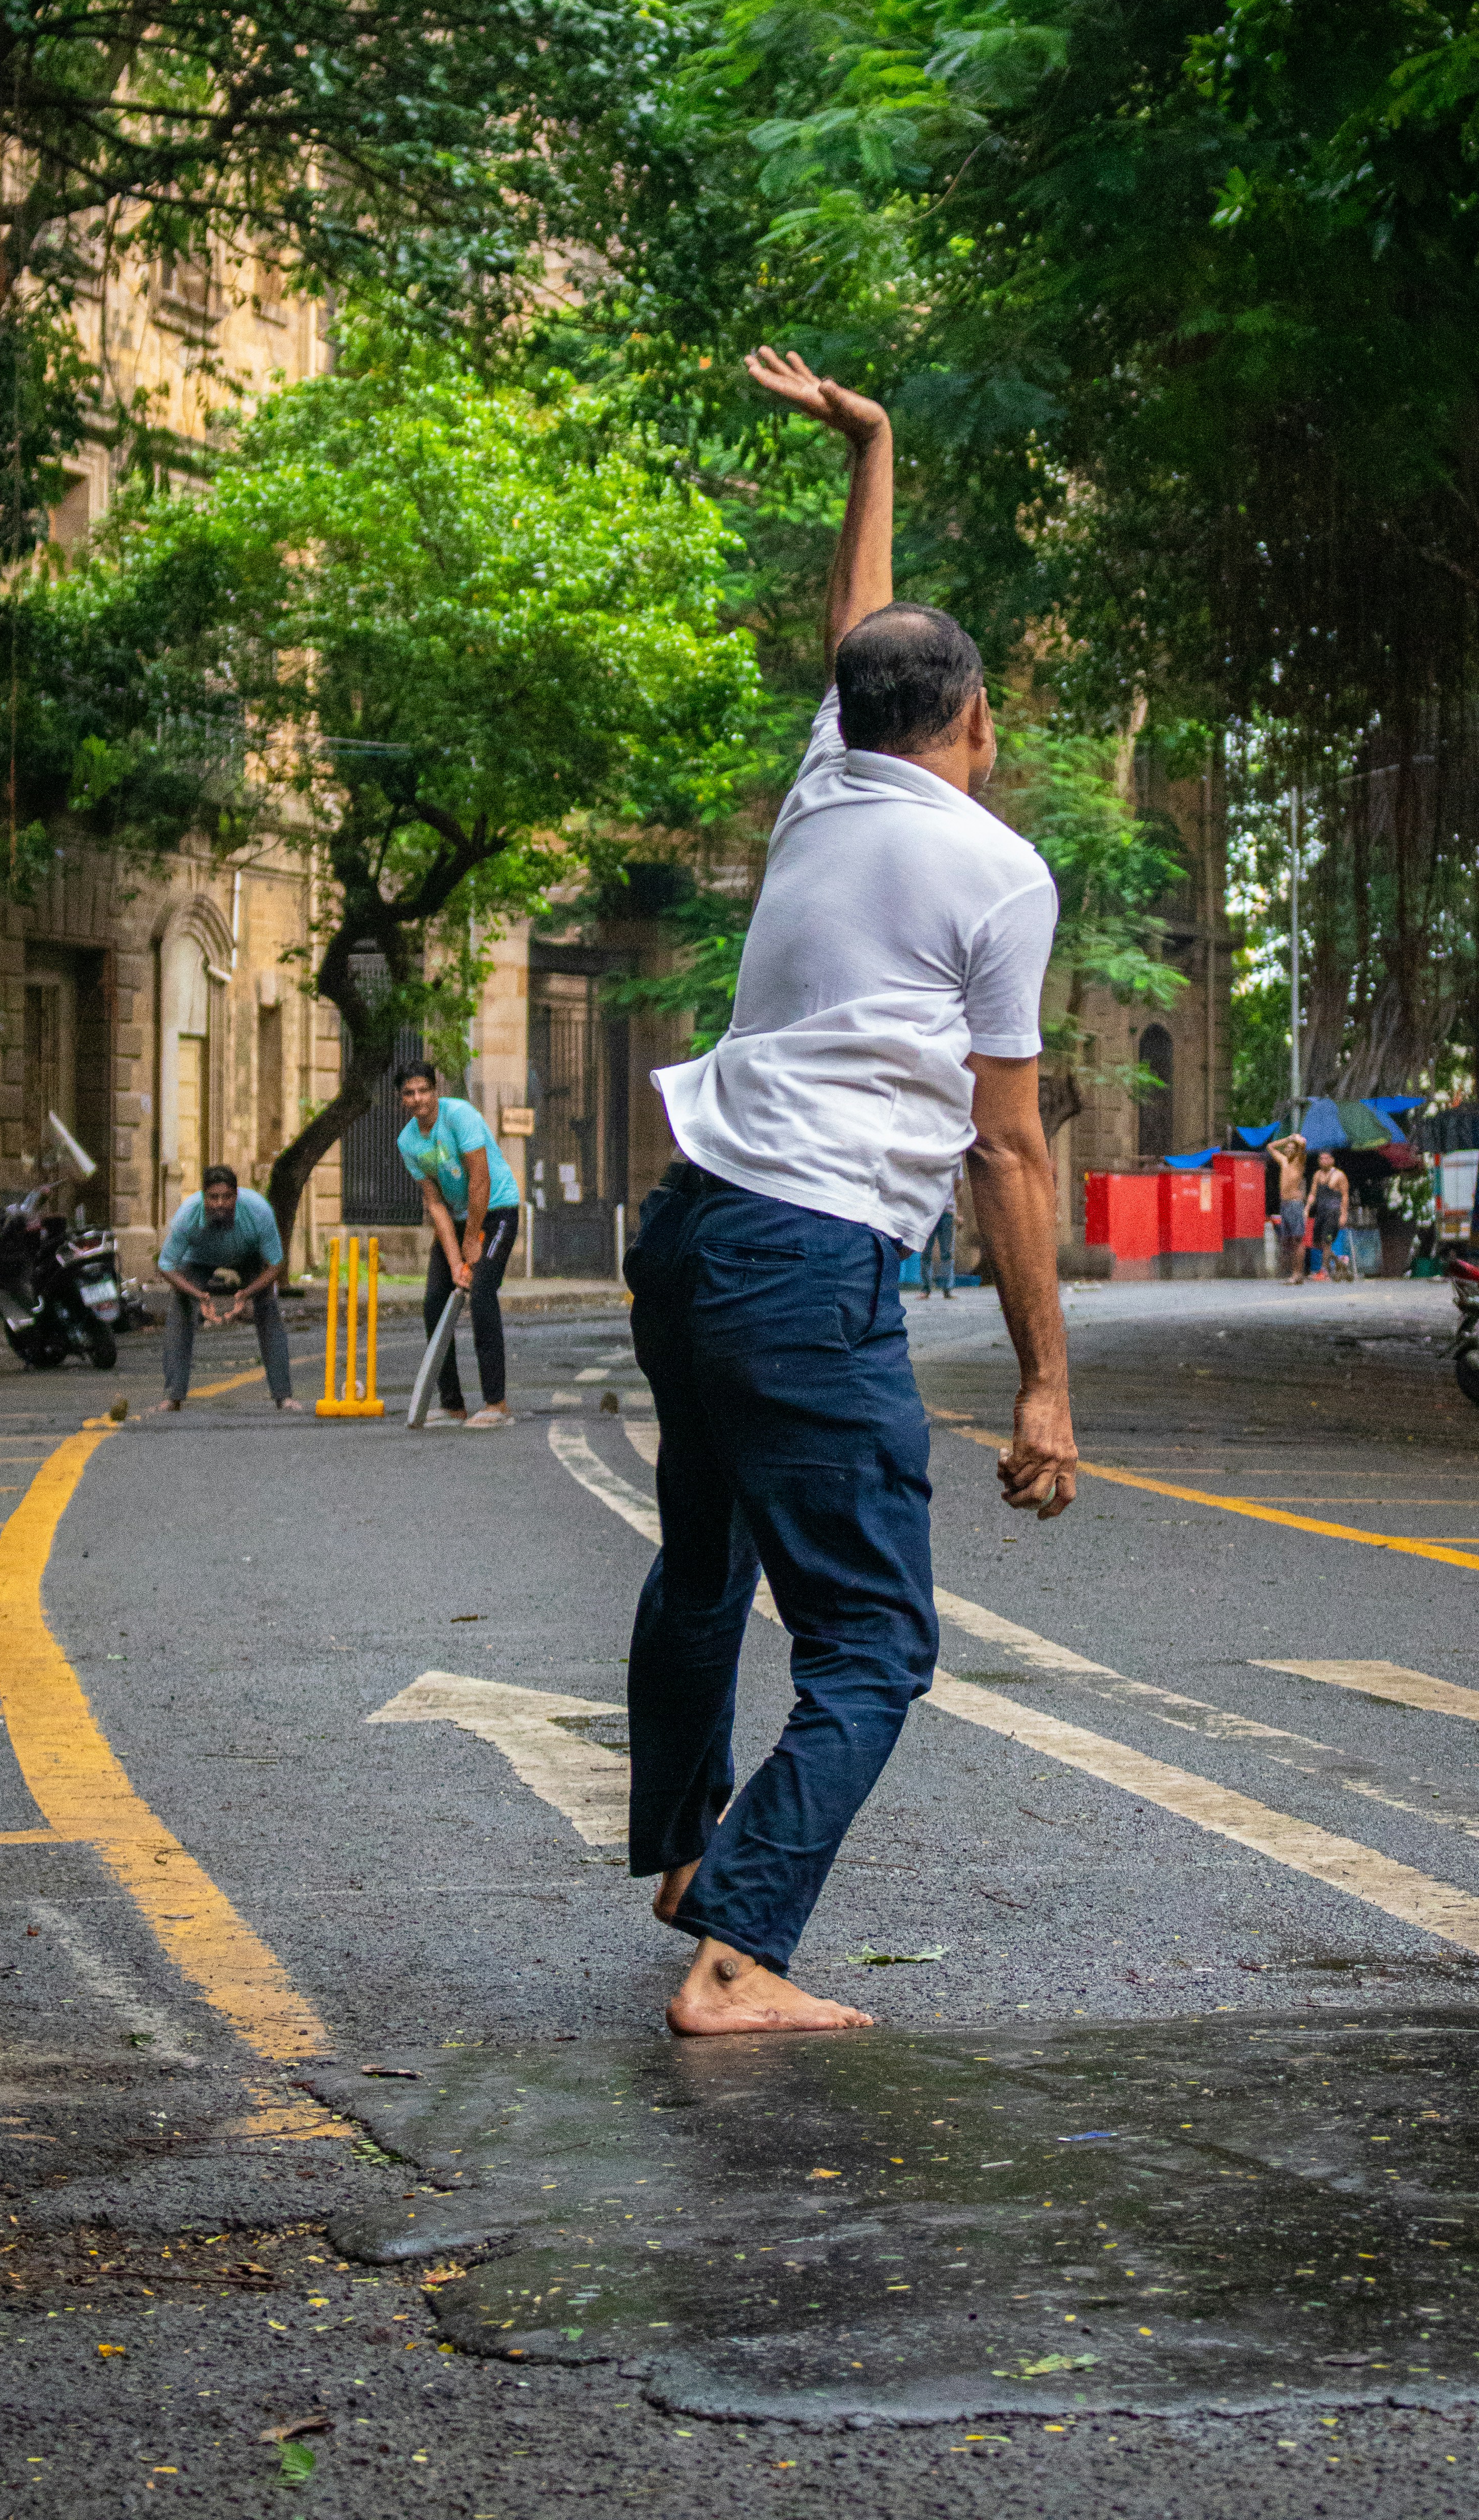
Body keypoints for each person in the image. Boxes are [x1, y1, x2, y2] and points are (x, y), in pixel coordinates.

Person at [624, 343, 1075, 2040]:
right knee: (878, 1644)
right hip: (808, 1263)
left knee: (703, 1562)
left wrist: (869, 446)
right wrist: (1043, 1381)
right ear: (972, 722)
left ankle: (686, 1855)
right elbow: (1009, 1148)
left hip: (693, 1228)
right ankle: (736, 1960)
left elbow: (861, 622)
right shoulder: (998, 869)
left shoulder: (831, 778)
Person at [396, 1063, 522, 1427]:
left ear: (436, 1091)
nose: (417, 1099)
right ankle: (452, 1405)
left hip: (496, 1210)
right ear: (402, 1098)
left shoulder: (460, 1116)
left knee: (482, 1294)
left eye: (423, 1090)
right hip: (458, 1218)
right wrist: (455, 1261)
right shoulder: (408, 1142)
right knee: (435, 1301)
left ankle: (496, 1404)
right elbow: (434, 1203)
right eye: (409, 1093)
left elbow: (480, 1179)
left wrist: (472, 1241)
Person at [157, 1167, 297, 1411]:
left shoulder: (258, 1211)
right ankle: (173, 1397)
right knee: (180, 1306)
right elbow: (166, 1266)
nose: (220, 1204)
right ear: (203, 1197)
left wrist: (248, 1292)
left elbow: (276, 1265)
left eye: (227, 1197)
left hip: (248, 1256)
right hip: (200, 1259)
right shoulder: (187, 1216)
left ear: (237, 1196)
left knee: (267, 1307)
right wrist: (198, 1294)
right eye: (213, 1197)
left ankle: (283, 1396)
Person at [1268, 1130, 1310, 1283]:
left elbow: (1303, 1144)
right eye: (1288, 1148)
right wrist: (1287, 1139)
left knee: (1298, 1239)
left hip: (1295, 1204)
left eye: (1293, 1148)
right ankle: (1294, 1273)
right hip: (1285, 1204)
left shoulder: (1299, 1161)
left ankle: (1298, 1274)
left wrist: (1296, 1140)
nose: (1289, 1150)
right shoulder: (1284, 1161)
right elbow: (1271, 1147)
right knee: (1289, 1240)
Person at [1308, 1148, 1351, 1280]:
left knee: (1327, 1242)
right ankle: (1340, 1260)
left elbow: (1345, 1196)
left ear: (1332, 1160)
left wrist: (1344, 1215)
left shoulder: (1340, 1175)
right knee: (1317, 1243)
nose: (1324, 1161)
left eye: (1327, 1158)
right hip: (1321, 1212)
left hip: (1333, 1213)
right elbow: (1313, 1194)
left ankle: (1324, 1271)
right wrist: (1307, 1208)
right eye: (1321, 1158)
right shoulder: (1317, 1175)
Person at [917, 1177, 960, 1299]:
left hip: (947, 1211)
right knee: (926, 1251)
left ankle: (947, 1289)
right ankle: (926, 1289)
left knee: (947, 1252)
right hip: (928, 1211)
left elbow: (958, 1184)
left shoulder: (956, 1160)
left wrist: (958, 1211)